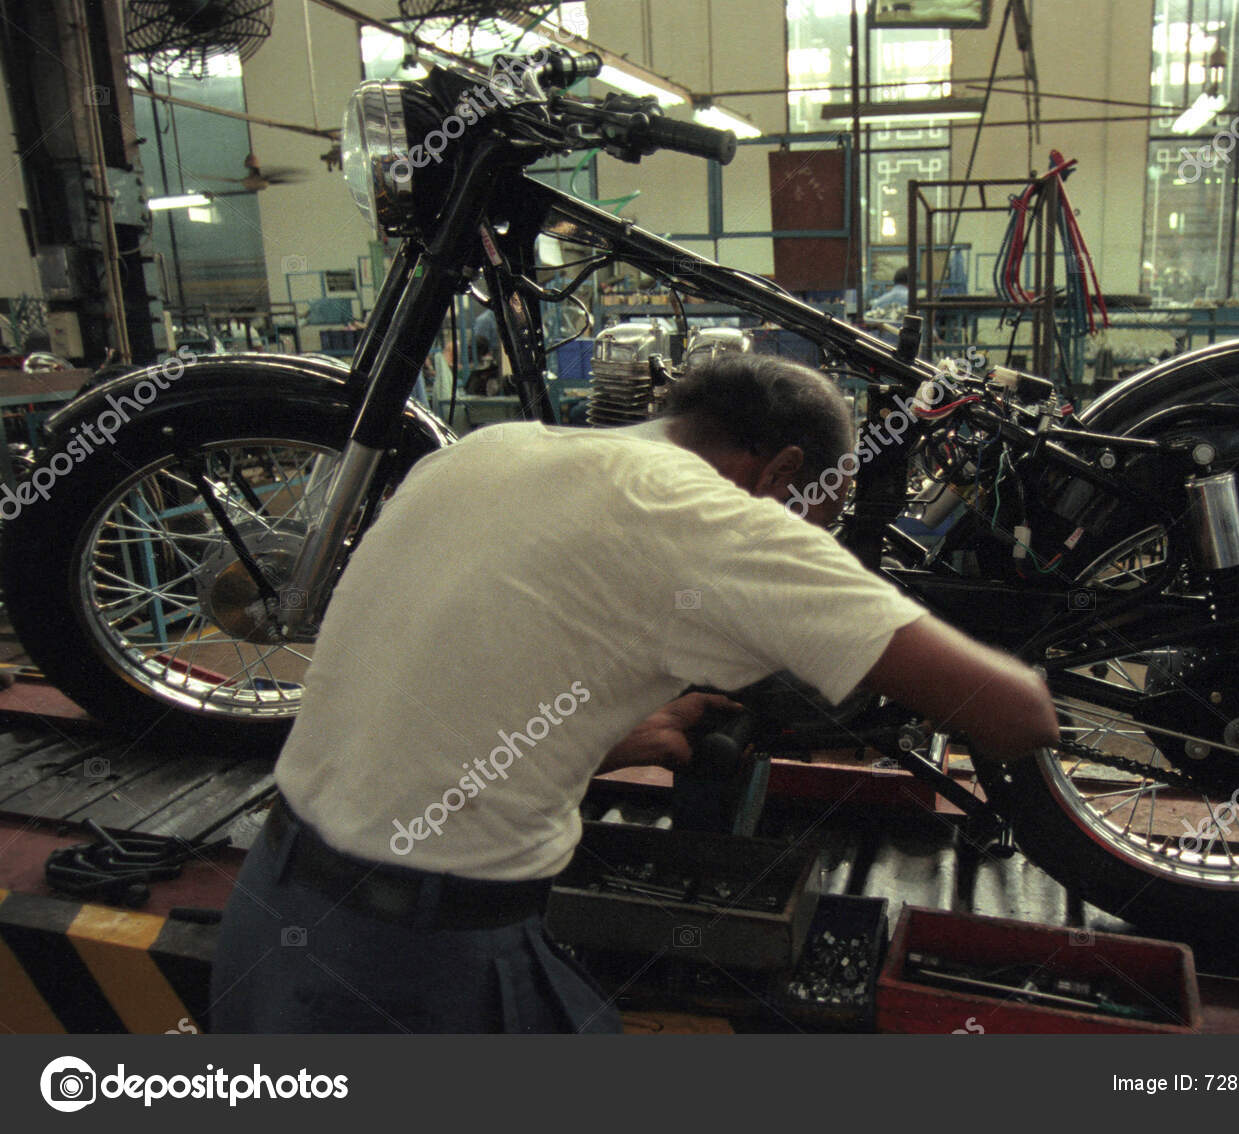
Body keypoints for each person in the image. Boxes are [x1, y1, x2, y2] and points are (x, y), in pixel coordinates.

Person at [210, 353, 1059, 1034]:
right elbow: (1016, 716)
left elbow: (439, 698)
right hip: (416, 968)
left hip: (274, 909)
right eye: (823, 518)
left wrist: (617, 735)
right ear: (784, 473)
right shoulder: (720, 521)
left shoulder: (487, 450)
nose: (815, 542)